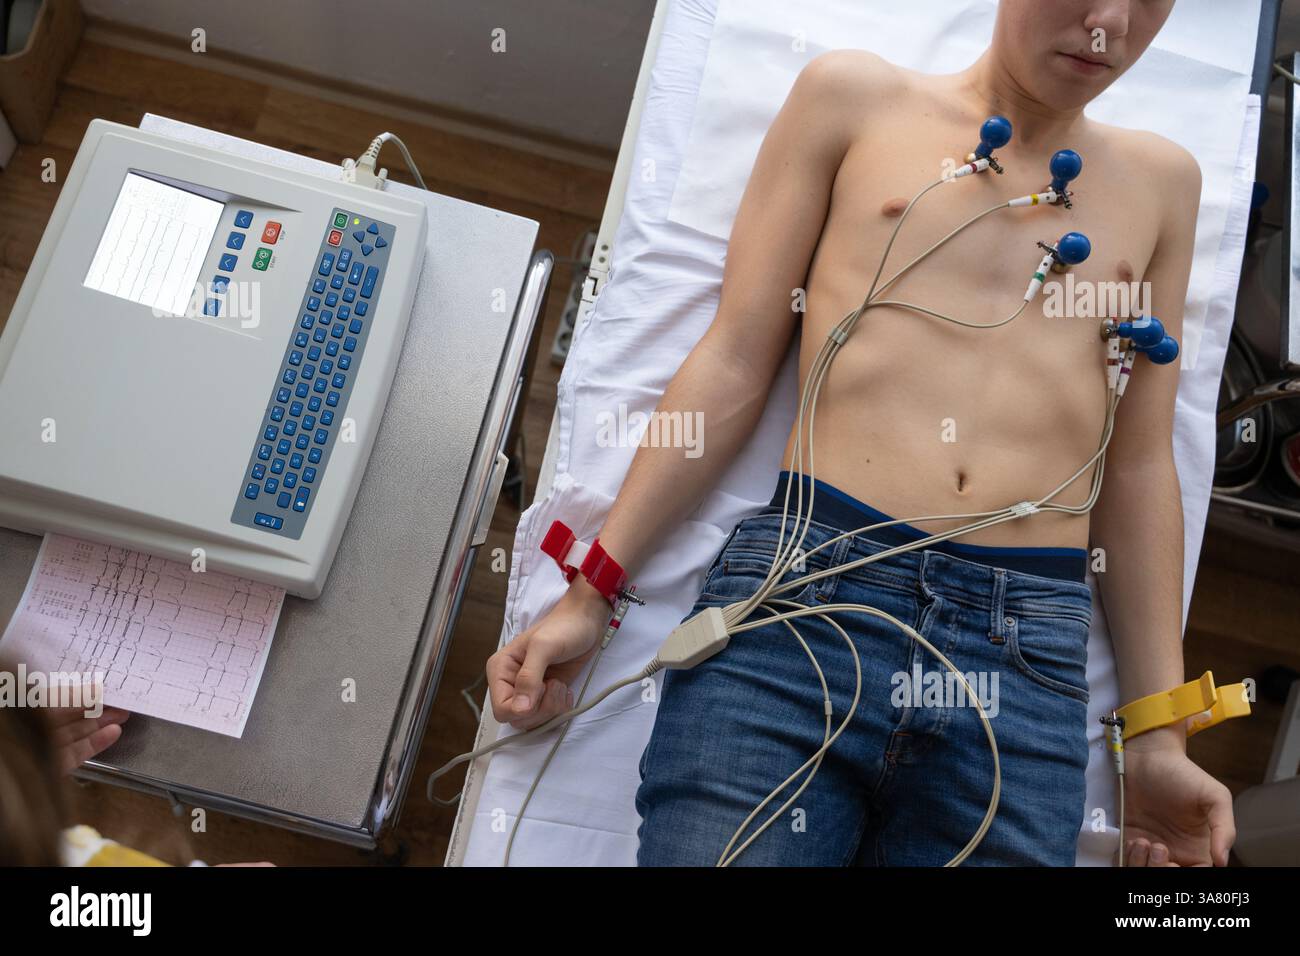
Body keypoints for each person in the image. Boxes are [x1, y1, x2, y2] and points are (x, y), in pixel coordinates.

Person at [486, 0, 1235, 866]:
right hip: (806, 597)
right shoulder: (853, 100)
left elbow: (1140, 468)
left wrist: (1158, 738)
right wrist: (592, 590)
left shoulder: (1161, 184)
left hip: (1022, 662)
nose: (1110, 24)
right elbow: (734, 358)